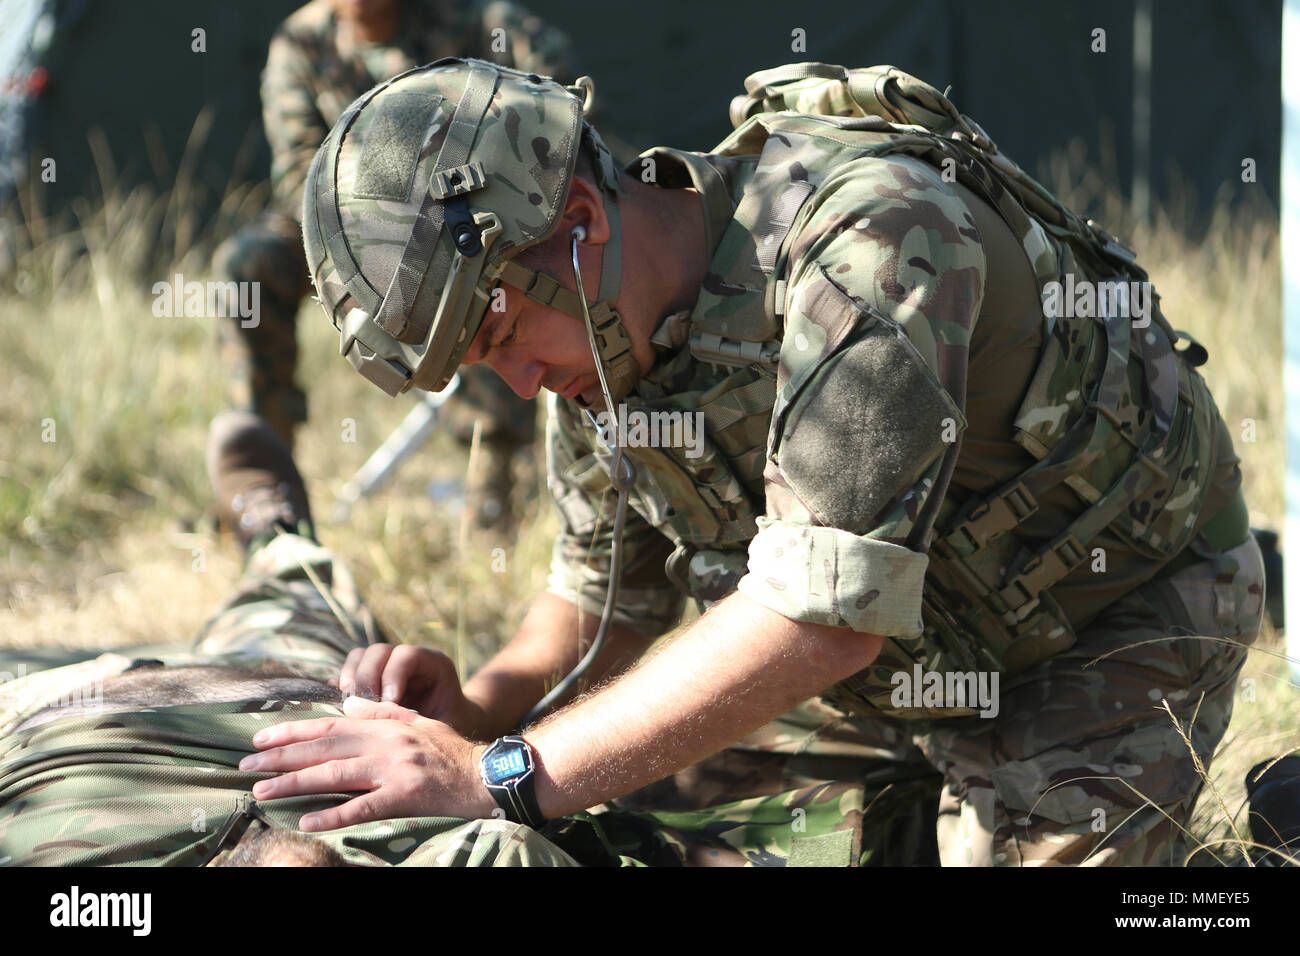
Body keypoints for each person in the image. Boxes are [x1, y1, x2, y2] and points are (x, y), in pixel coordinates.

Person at [259, 58, 1265, 866]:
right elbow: (597, 601)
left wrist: (498, 768)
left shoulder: (868, 242)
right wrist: (478, 707)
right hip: (909, 667)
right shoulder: (597, 344)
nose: (517, 383)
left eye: (502, 330)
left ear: (578, 220)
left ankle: (1278, 828)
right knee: (596, 824)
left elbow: (821, 624)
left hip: (1106, 622)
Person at [0, 413, 862, 866]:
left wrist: (478, 747)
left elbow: (822, 621)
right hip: (276, 709)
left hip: (159, 716)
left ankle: (272, 524)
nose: (523, 386)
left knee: (292, 592)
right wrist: (480, 732)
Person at [214, 0, 575, 528]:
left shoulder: (479, 22)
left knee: (479, 264)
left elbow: (563, 115)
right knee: (247, 265)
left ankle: (493, 489)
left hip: (477, 215)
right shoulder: (302, 42)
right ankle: (263, 480)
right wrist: (383, 234)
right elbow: (300, 177)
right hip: (346, 229)